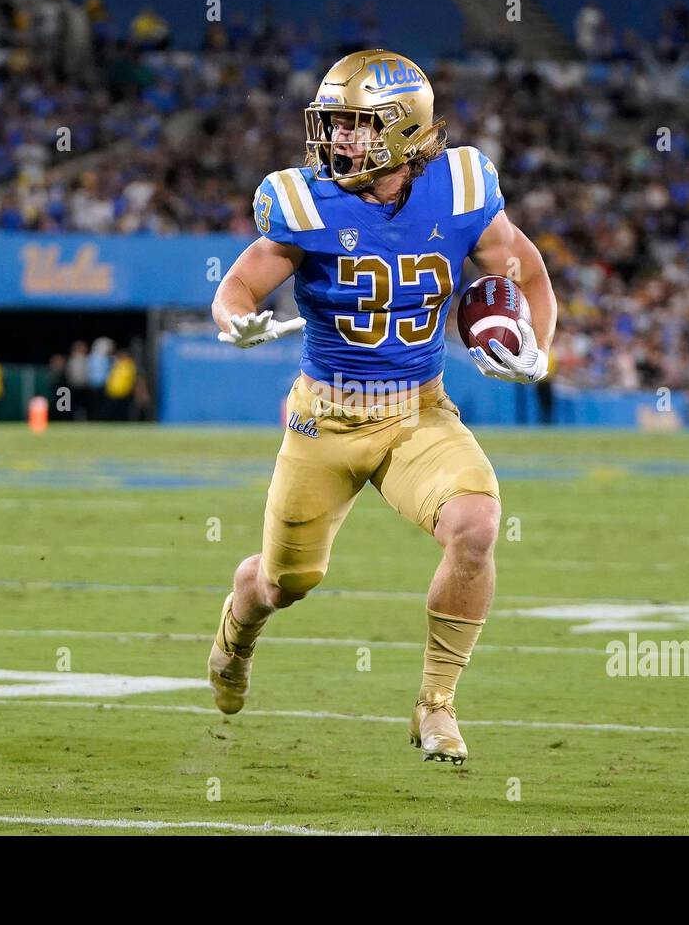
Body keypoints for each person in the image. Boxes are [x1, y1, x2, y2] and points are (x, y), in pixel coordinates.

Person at [208, 49, 556, 764]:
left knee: (476, 522)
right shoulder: (306, 201)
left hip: (417, 412)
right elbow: (239, 284)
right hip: (324, 418)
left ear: (403, 131)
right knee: (284, 583)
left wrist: (538, 349)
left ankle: (436, 705)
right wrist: (234, 318)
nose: (339, 140)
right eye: (334, 124)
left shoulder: (459, 188)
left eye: (357, 127)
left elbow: (528, 273)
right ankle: (236, 633)